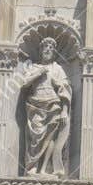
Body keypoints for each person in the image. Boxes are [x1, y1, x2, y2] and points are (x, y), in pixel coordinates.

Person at [20, 37, 72, 175]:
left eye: (51, 48)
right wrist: (39, 73)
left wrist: (65, 111)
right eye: (45, 47)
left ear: (54, 52)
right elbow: (24, 83)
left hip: (53, 104)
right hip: (35, 104)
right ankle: (32, 166)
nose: (48, 50)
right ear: (40, 50)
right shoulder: (33, 67)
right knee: (35, 137)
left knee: (50, 137)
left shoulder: (58, 69)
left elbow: (65, 89)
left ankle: (43, 169)